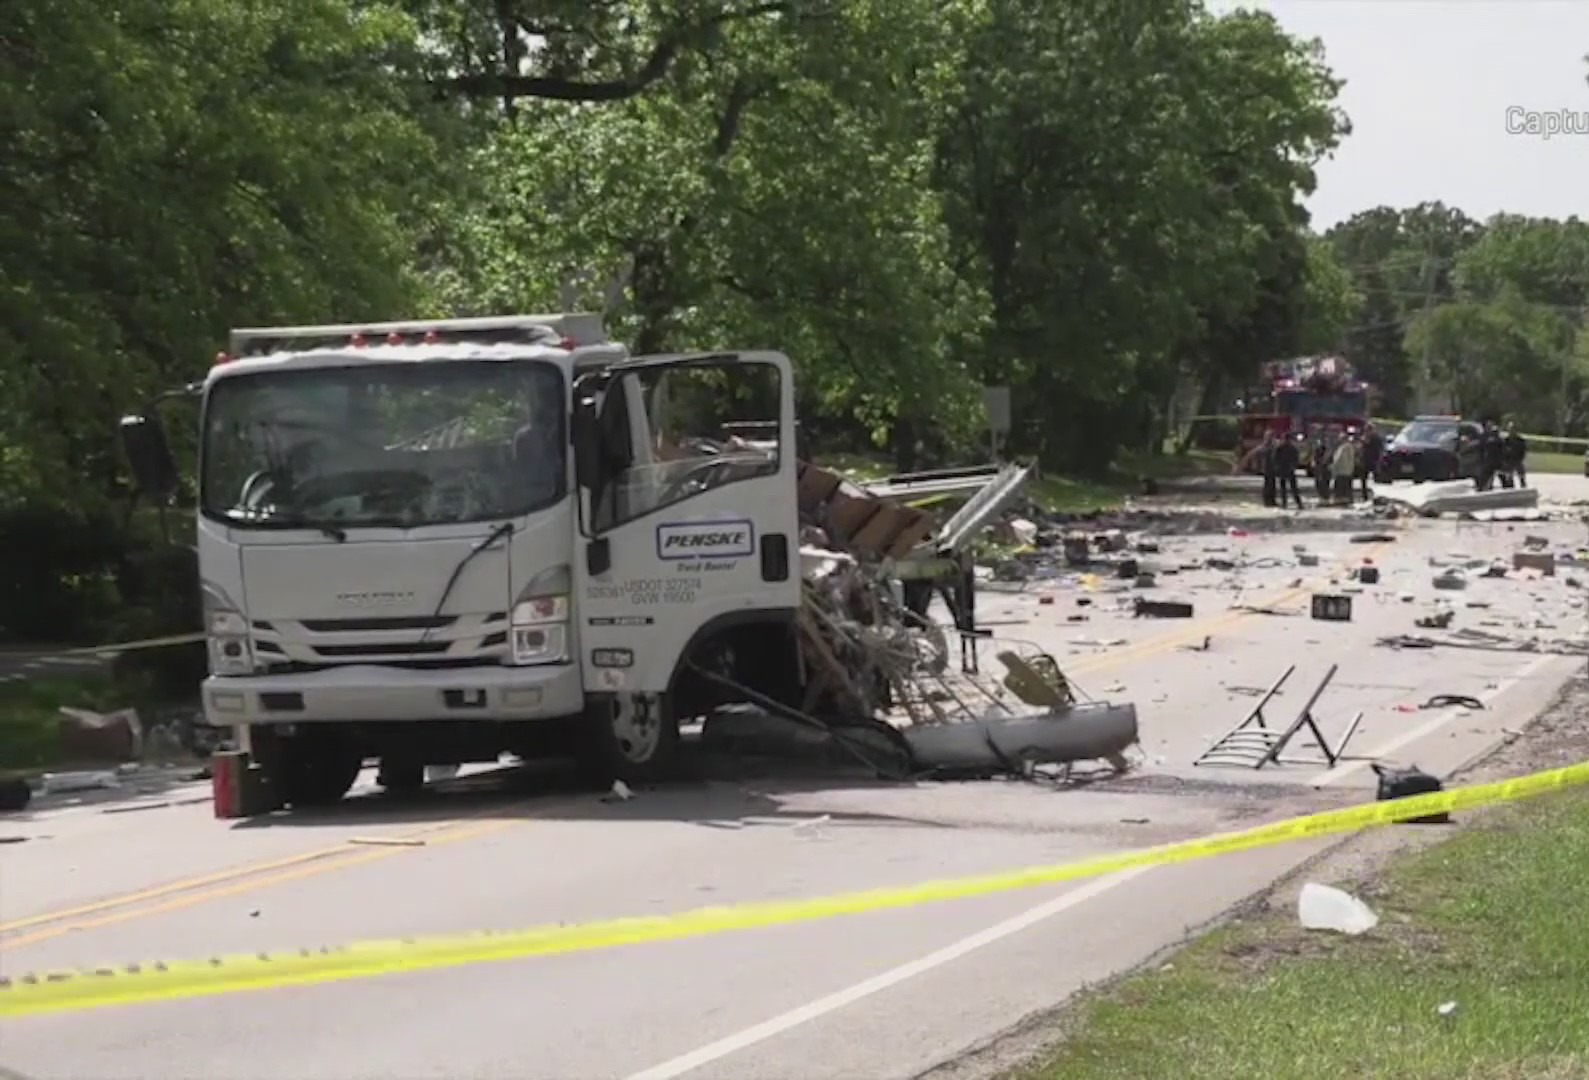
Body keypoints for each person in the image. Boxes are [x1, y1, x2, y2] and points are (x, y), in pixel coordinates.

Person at [1273, 433, 1303, 509]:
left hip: (1289, 469)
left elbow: (1296, 458)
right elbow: (1275, 458)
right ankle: (1284, 503)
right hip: (1283, 469)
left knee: (1294, 488)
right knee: (1283, 488)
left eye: (1287, 439)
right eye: (1284, 439)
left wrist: (1294, 466)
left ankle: (1298, 503)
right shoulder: (1279, 448)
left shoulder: (1292, 448)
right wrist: (1277, 467)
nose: (1285, 441)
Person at [1330, 429, 1358, 506]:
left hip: (1342, 470)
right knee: (1346, 486)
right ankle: (1347, 500)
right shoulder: (1349, 447)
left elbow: (1339, 459)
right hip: (1347, 470)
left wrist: (1333, 467)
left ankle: (1340, 501)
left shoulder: (1344, 448)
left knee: (1340, 487)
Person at [1476, 420, 1504, 491]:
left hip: (1497, 460)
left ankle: (1508, 488)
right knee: (1485, 476)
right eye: (1488, 426)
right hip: (1488, 460)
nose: (1489, 428)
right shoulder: (1483, 437)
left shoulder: (1496, 436)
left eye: (1490, 426)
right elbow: (1480, 449)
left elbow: (1502, 446)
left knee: (1503, 475)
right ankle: (1482, 488)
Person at [1360, 422, 1385, 500]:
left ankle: (1377, 496)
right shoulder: (1364, 438)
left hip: (1374, 461)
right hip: (1365, 461)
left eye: (1368, 430)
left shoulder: (1377, 439)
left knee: (1376, 480)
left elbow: (1381, 451)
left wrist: (1379, 462)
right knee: (1363, 480)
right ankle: (1365, 496)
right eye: (1366, 430)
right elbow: (1361, 449)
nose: (1367, 432)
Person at [1502, 421, 1528, 488]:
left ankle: (1523, 484)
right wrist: (1505, 459)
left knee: (1521, 472)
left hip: (1517, 460)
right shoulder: (1506, 440)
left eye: (1513, 429)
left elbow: (1523, 450)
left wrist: (1520, 458)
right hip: (1509, 460)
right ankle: (1510, 486)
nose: (1512, 431)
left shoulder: (1520, 440)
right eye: (1510, 429)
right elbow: (1503, 450)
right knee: (1508, 475)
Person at [1311, 430, 1332, 504]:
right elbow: (1314, 458)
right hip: (1319, 468)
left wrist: (1324, 462)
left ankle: (1325, 499)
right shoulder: (1317, 449)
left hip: (1324, 468)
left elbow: (1329, 458)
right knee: (1319, 483)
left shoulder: (1327, 450)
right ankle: (1322, 498)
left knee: (1324, 483)